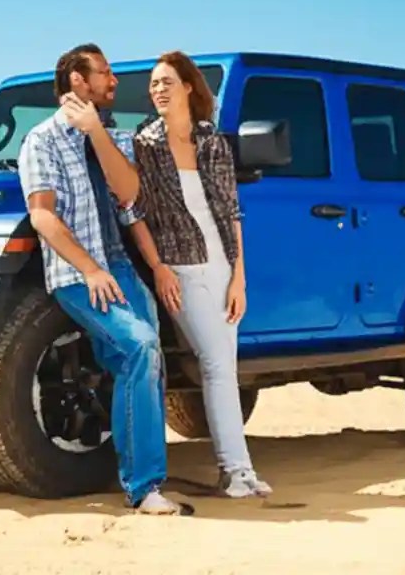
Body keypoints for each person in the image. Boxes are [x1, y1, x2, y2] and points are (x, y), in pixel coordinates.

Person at [16, 42, 190, 516]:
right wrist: (90, 269)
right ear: (78, 80)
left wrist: (95, 132)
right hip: (78, 271)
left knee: (145, 363)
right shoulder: (41, 141)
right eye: (105, 74)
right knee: (140, 347)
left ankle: (141, 478)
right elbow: (42, 218)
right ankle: (144, 487)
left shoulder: (112, 135)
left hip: (121, 266)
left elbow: (132, 198)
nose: (114, 82)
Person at [118, 50, 272, 499]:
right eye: (153, 84)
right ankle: (236, 470)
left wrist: (239, 276)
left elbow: (230, 210)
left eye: (166, 81)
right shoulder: (144, 144)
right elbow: (135, 212)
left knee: (224, 365)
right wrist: (158, 268)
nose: (158, 89)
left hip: (222, 266)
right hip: (181, 268)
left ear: (188, 86)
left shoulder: (211, 141)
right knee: (217, 363)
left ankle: (238, 471)